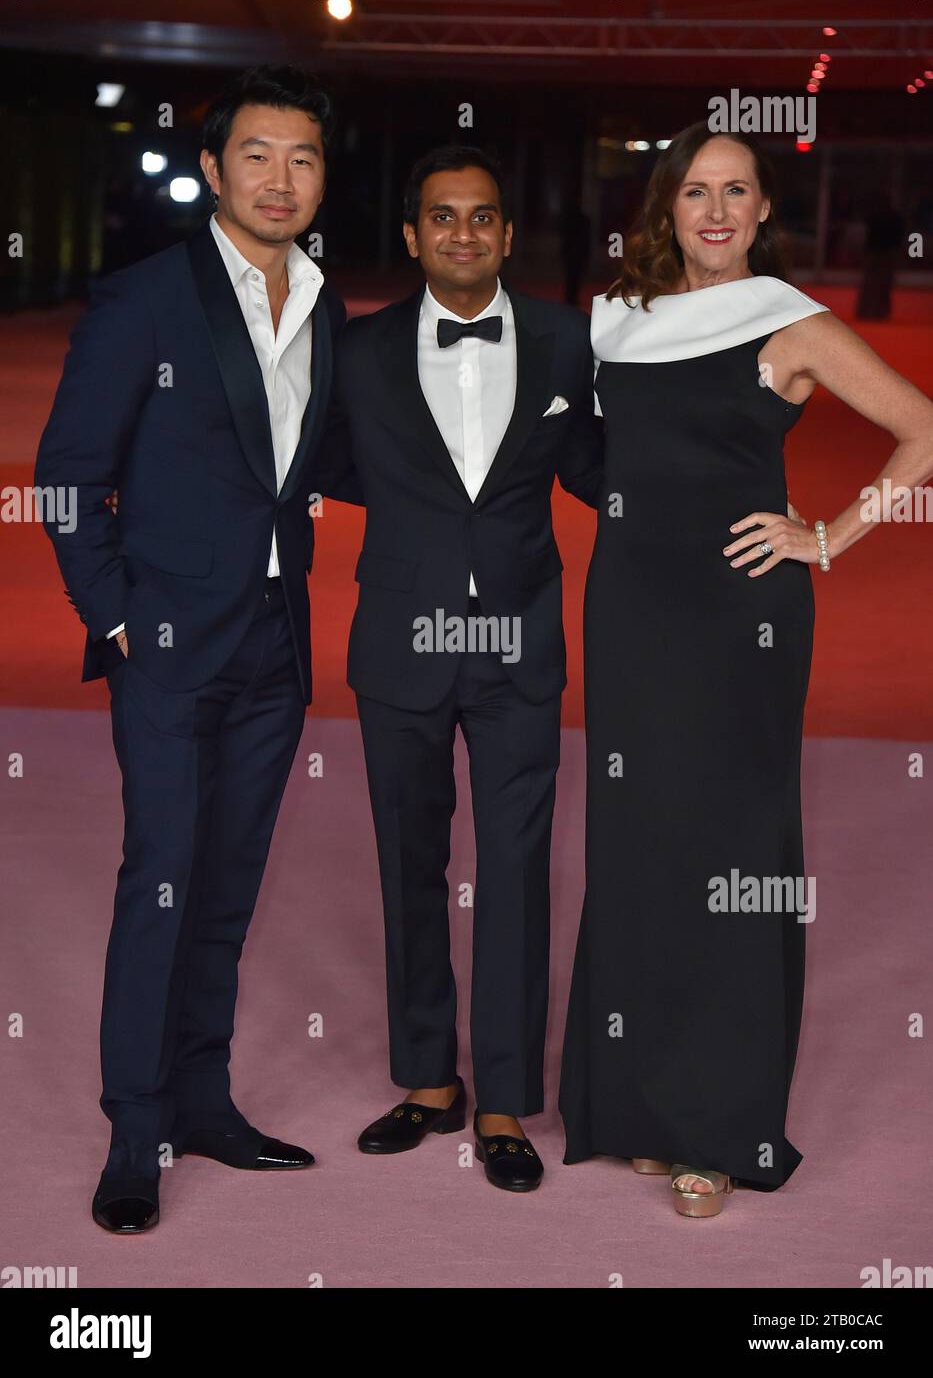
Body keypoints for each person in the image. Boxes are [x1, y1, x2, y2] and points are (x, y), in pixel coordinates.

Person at [559, 122, 933, 1217]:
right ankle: (632, 1102)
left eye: (737, 191)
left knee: (726, 849)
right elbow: (600, 458)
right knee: (638, 844)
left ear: (764, 210)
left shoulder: (791, 322)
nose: (715, 210)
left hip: (740, 620)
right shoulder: (617, 324)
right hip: (629, 611)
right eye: (696, 192)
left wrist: (826, 536)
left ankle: (715, 1129)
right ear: (667, 207)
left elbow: (921, 430)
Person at [35, 64, 359, 1233]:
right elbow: (67, 475)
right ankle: (135, 1128)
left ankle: (205, 1099)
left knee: (227, 887)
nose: (282, 179)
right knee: (160, 878)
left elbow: (326, 464)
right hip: (167, 643)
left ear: (325, 178)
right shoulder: (146, 301)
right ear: (214, 169)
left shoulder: (324, 303)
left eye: (304, 158)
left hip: (278, 637)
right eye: (259, 157)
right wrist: (115, 615)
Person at [329, 145, 604, 1191]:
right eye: (441, 217)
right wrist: (419, 532)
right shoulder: (356, 353)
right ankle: (424, 1079)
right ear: (412, 235)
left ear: (506, 232)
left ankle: (499, 1097)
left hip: (520, 643)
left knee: (519, 869)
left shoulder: (566, 341)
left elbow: (594, 466)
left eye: (481, 216)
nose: (462, 233)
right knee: (408, 861)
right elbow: (325, 463)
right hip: (398, 639)